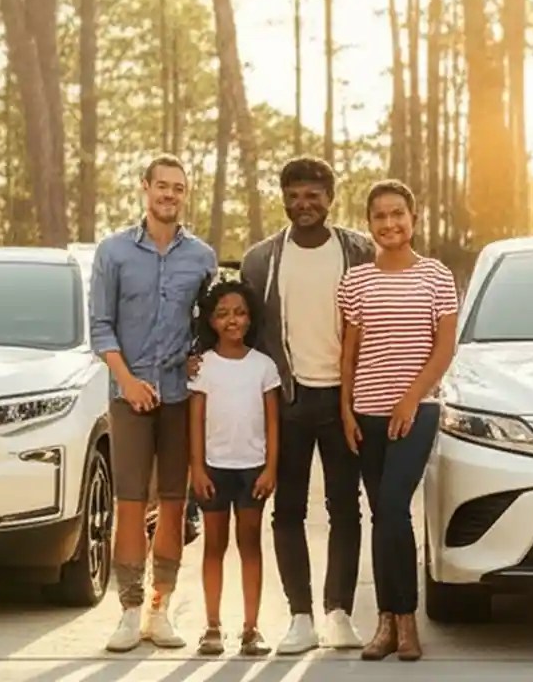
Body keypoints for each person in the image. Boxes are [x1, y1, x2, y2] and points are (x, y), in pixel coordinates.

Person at [239, 155, 376, 654]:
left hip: (345, 401)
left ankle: (338, 611)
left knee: (345, 507)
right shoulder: (261, 260)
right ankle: (300, 616)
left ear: (330, 199)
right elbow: (241, 329)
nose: (304, 205)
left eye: (313, 195)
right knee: (288, 509)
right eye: (294, 196)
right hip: (289, 401)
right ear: (284, 199)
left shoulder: (360, 252)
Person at [90, 154, 218, 653]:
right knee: (128, 506)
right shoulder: (114, 252)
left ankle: (159, 611)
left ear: (186, 194)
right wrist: (128, 380)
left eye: (178, 188)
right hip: (130, 398)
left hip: (180, 400)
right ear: (145, 189)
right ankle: (127, 610)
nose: (169, 195)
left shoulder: (202, 257)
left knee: (172, 506)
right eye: (161, 186)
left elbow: (206, 325)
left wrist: (195, 356)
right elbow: (101, 326)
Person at [336, 180, 458, 662]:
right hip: (365, 411)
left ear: (413, 218)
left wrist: (410, 400)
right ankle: (385, 623)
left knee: (391, 506)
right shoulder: (356, 281)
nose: (389, 224)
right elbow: (349, 355)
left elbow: (443, 347)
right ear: (369, 225)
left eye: (397, 214)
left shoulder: (436, 276)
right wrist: (346, 411)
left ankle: (407, 622)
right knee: (383, 516)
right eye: (380, 217)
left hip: (417, 412)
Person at [187, 279, 281, 657]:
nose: (232, 320)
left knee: (250, 545)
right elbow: (195, 421)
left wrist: (270, 467)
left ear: (251, 318)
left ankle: (251, 627)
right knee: (214, 545)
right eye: (223, 314)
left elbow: (274, 422)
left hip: (252, 471)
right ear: (210, 320)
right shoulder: (203, 367)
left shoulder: (263, 366)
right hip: (214, 469)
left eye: (240, 313)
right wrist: (197, 469)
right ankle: (212, 625)